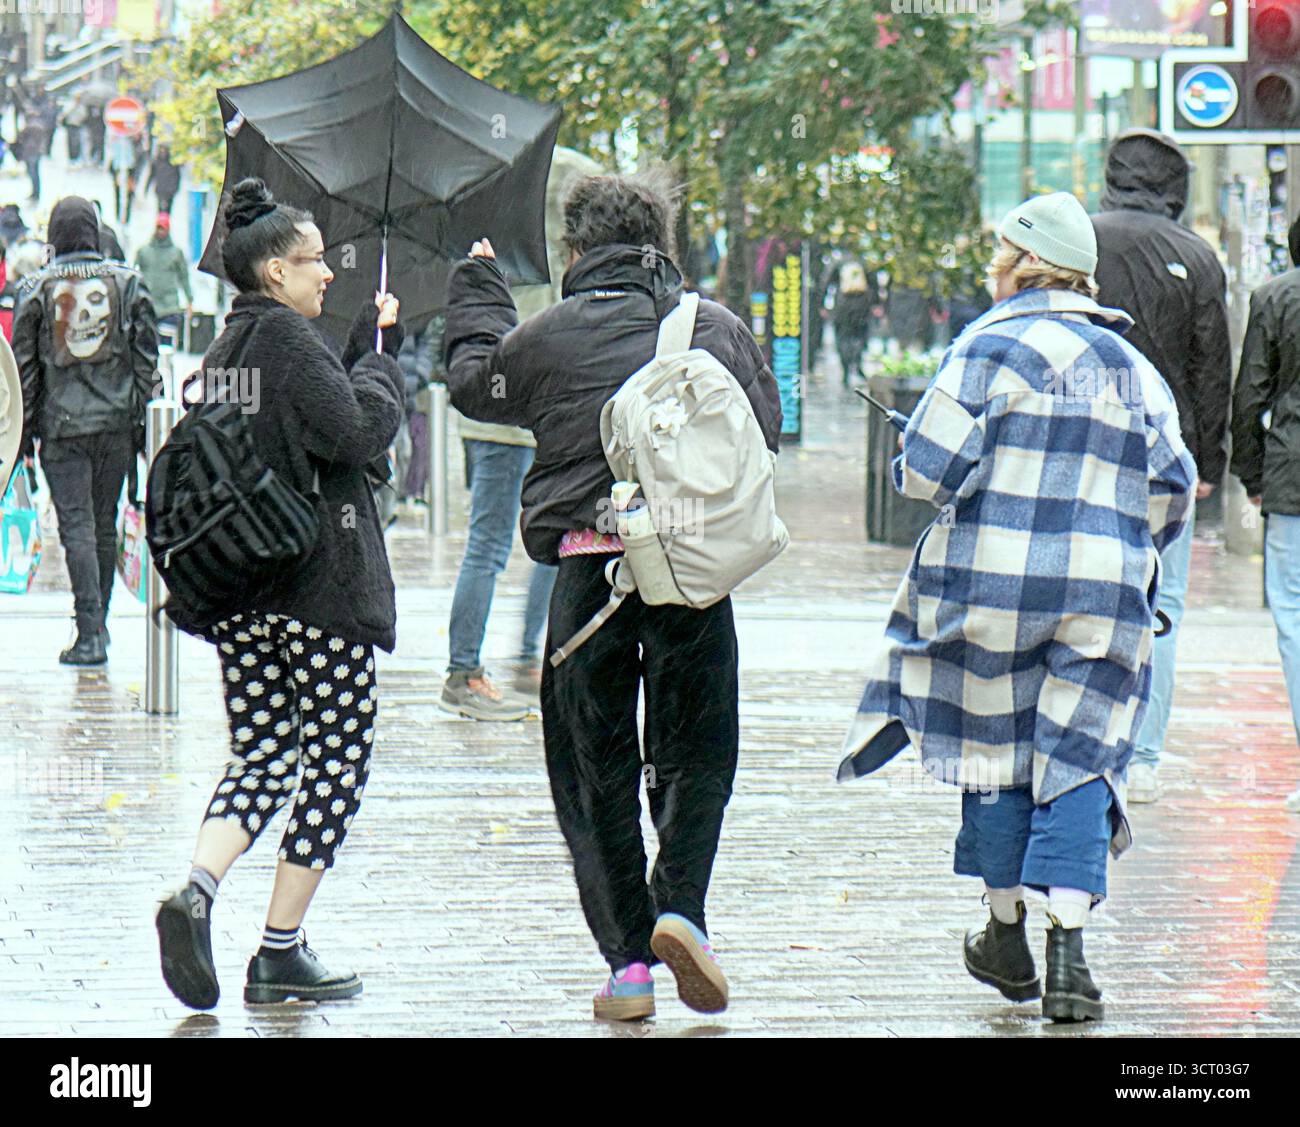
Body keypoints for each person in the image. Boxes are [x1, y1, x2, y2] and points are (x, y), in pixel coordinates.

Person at [839, 192, 1196, 1024]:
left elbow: (925, 473)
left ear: (1020, 264)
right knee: (1078, 755)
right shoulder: (1129, 364)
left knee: (996, 749)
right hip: (1103, 591)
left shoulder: (984, 346)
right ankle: (1068, 952)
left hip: (993, 586)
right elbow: (1172, 485)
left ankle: (1005, 932)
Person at [444, 170, 782, 1020]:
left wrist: (479, 293)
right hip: (691, 568)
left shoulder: (548, 335)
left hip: (587, 575)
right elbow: (765, 430)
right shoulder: (716, 329)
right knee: (698, 747)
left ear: (575, 250)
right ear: (661, 246)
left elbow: (476, 383)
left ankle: (628, 966)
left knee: (592, 768)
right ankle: (682, 908)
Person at [153, 177, 405, 1011]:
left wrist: (357, 352)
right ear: (273, 272)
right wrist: (381, 363)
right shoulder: (291, 345)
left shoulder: (227, 351)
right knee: (335, 759)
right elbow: (358, 435)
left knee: (261, 751)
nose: (326, 272)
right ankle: (280, 951)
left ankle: (196, 888)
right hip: (317, 591)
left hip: (242, 593)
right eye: (313, 260)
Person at [1091, 128, 1231, 804]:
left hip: (1085, 450)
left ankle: (1090, 738)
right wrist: (1210, 462)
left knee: (1088, 594)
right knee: (1161, 606)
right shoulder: (1198, 257)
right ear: (1177, 187)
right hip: (1168, 461)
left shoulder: (1078, 242)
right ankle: (1144, 755)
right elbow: (1213, 371)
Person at [440, 147, 598, 717]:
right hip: (537, 408)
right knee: (547, 537)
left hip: (487, 406)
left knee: (493, 542)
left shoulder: (483, 188)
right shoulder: (576, 192)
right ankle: (506, 660)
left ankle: (485, 662)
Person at [12, 196, 159, 664]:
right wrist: (141, 422)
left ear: (55, 237)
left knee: (76, 526)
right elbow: (147, 363)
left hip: (61, 429)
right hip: (116, 426)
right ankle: (100, 626)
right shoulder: (128, 284)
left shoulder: (35, 288)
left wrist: (23, 438)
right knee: (103, 523)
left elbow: (23, 373)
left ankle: (90, 632)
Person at [1231, 214, 1300, 814]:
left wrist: (1252, 476)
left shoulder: (1275, 298)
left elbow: (1251, 393)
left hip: (1292, 477)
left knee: (1295, 618)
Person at [135, 213, 192, 348]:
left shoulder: (176, 253)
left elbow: (184, 277)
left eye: (163, 228)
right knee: (148, 347)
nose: (161, 231)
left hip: (169, 308)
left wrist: (189, 300)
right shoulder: (143, 252)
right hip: (148, 307)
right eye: (159, 228)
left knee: (166, 348)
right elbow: (135, 276)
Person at [829, 257, 873, 387]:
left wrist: (822, 304)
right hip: (861, 305)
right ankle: (857, 362)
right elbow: (873, 284)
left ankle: (846, 368)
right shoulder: (864, 262)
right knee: (859, 336)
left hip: (842, 306)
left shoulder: (839, 262)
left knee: (843, 338)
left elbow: (827, 282)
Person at [144, 143, 181, 217]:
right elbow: (151, 176)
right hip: (160, 190)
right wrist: (146, 189)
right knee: (160, 211)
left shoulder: (173, 162)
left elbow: (178, 176)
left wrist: (175, 188)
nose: (163, 153)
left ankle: (166, 226)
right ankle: (160, 226)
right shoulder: (156, 162)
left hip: (170, 190)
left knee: (167, 211)